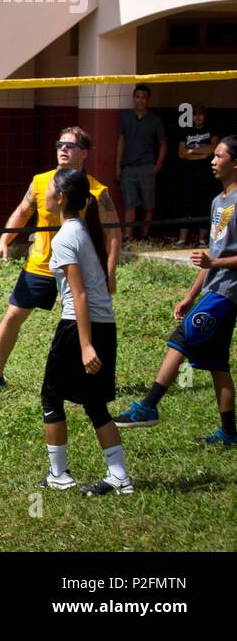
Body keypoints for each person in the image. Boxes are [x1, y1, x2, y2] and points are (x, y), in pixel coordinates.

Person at [0, 127, 121, 398]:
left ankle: (91, 378)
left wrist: (110, 271)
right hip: (42, 265)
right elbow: (22, 212)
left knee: (88, 320)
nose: (63, 149)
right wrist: (2, 243)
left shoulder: (96, 189)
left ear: (84, 153)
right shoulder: (41, 182)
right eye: (59, 144)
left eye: (70, 145)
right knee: (12, 317)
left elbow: (113, 231)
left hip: (77, 268)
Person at [116, 135, 237, 447]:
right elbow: (211, 253)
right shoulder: (218, 201)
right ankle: (229, 434)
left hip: (228, 292)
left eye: (219, 155)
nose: (213, 159)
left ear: (235, 163)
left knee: (180, 338)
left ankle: (147, 407)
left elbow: (217, 257)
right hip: (213, 290)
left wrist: (217, 261)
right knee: (216, 363)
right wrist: (191, 294)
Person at [38, 168, 133, 496]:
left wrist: (85, 345)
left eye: (50, 189)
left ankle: (58, 474)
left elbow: (78, 294)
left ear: (61, 198)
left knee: (50, 396)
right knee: (94, 404)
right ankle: (119, 476)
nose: (45, 193)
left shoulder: (66, 236)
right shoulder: (83, 230)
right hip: (104, 323)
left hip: (80, 325)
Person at [116, 83, 166, 241]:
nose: (140, 100)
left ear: (148, 100)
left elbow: (163, 143)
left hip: (147, 167)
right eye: (137, 97)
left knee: (148, 204)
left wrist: (158, 163)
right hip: (128, 167)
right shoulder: (125, 117)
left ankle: (145, 235)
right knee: (129, 203)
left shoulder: (155, 120)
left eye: (143, 98)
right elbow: (121, 141)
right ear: (133, 98)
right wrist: (117, 166)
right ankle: (128, 236)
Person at [176, 105, 218, 247]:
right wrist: (201, 153)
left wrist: (191, 152)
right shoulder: (186, 131)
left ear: (205, 116)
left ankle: (202, 239)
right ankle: (182, 238)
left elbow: (212, 150)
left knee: (203, 203)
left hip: (206, 174)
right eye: (195, 114)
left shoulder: (212, 131)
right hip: (188, 174)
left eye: (201, 114)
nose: (198, 117)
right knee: (186, 203)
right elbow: (181, 153)